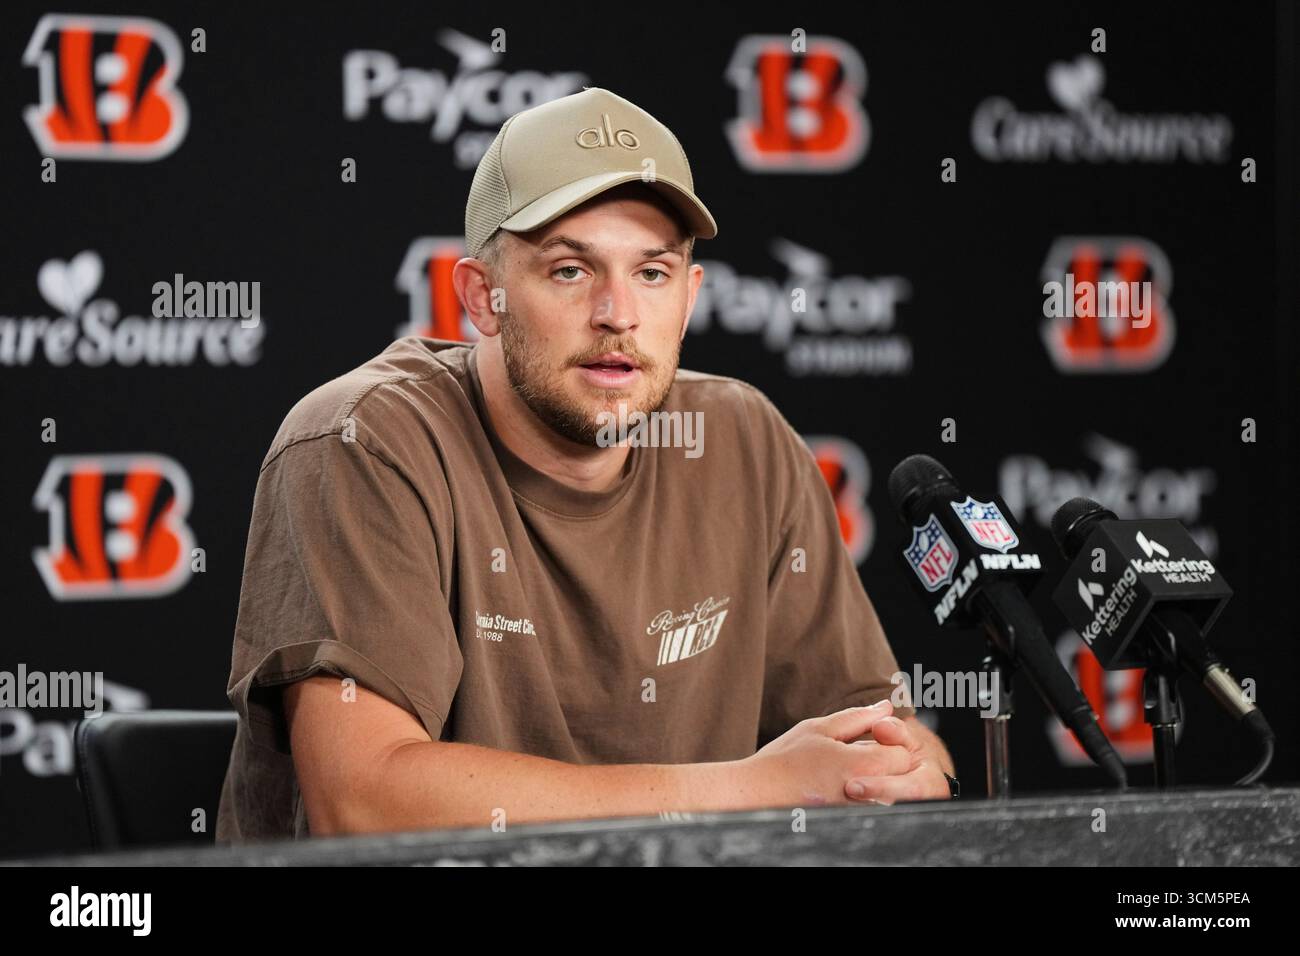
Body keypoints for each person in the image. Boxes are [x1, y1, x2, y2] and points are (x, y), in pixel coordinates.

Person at [216, 87, 954, 843]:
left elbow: (879, 735)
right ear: (482, 297)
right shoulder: (364, 441)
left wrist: (898, 764)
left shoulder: (744, 439)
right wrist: (746, 788)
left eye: (653, 273)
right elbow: (365, 802)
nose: (618, 313)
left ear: (691, 297)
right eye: (570, 270)